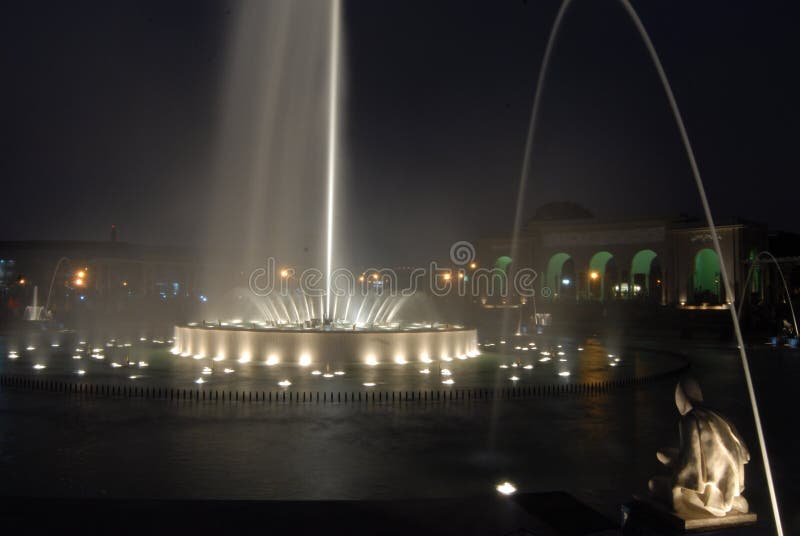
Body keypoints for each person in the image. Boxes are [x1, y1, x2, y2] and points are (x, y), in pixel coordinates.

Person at [649, 378, 750, 517]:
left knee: (654, 484)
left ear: (681, 401)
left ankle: (714, 504)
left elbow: (690, 461)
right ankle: (730, 500)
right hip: (730, 487)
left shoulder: (690, 420)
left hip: (707, 492)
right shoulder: (721, 417)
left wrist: (675, 491)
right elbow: (743, 454)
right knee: (665, 457)